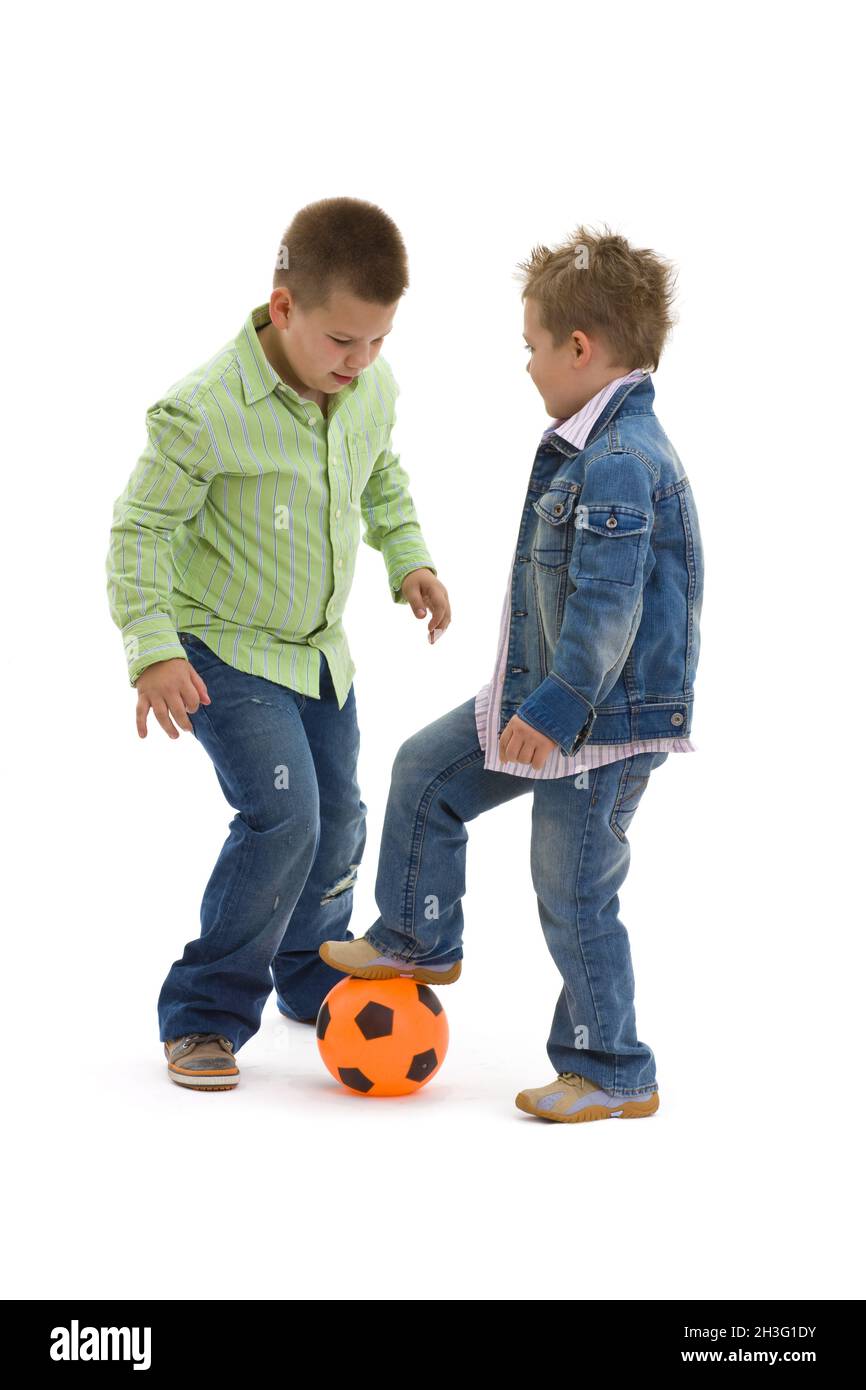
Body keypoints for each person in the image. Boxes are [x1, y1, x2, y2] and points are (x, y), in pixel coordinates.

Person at [320, 224, 704, 1124]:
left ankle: (612, 1065)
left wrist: (560, 706)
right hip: (540, 695)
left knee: (573, 890)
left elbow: (612, 607)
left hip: (597, 724)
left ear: (582, 347)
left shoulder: (618, 462)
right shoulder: (587, 441)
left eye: (532, 347)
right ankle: (418, 936)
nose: (526, 365)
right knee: (426, 770)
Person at [105, 196, 450, 1090]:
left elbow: (380, 473)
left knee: (339, 820)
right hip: (221, 646)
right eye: (343, 341)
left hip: (320, 653)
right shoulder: (205, 409)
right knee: (284, 818)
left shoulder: (370, 388)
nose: (360, 361)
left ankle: (308, 970)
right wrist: (153, 646)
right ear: (284, 306)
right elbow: (139, 530)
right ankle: (205, 1013)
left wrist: (408, 559)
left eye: (377, 341)